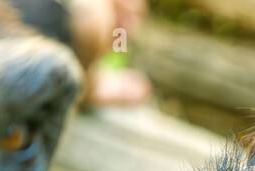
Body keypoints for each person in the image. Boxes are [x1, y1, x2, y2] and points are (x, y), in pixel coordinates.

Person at [9, 0, 151, 106]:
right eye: (122, 13)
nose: (128, 23)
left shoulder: (119, 39)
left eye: (136, 15)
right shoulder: (93, 19)